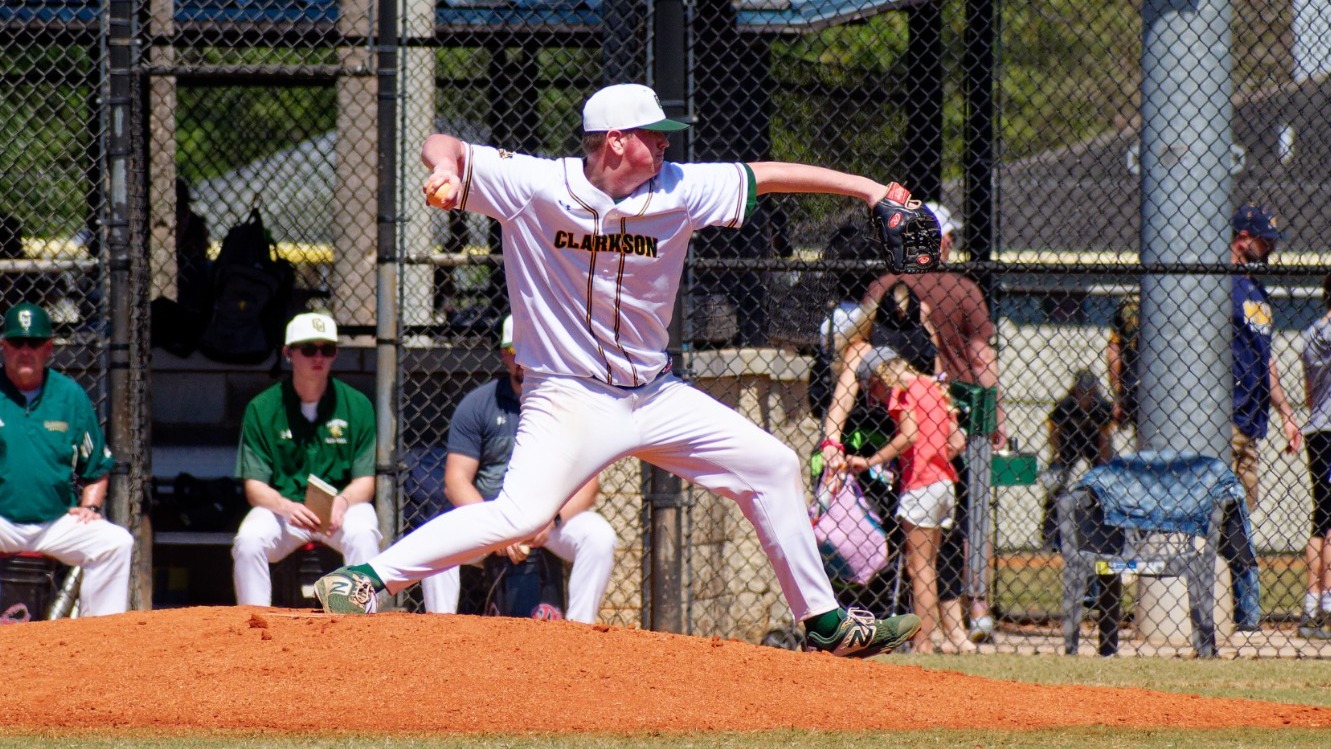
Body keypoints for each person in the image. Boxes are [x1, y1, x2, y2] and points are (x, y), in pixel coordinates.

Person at [314, 82, 920, 657]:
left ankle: (825, 623)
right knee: (519, 515)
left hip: (655, 394)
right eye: (653, 134)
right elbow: (440, 144)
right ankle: (367, 578)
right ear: (615, 141)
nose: (665, 143)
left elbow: (769, 176)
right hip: (568, 398)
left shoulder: (680, 188)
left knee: (774, 465)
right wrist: (445, 170)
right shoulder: (536, 185)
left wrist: (869, 189)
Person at [857, 201, 1004, 643]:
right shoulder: (962, 288)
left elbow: (859, 346)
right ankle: (968, 611)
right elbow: (982, 359)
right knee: (960, 525)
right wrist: (996, 418)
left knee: (893, 522)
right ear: (940, 241)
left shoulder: (885, 284)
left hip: (890, 417)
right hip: (950, 414)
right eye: (950, 237)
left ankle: (892, 611)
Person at [419, 315, 617, 623]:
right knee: (438, 539)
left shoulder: (566, 405)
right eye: (514, 350)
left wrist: (551, 520)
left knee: (599, 535)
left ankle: (580, 632)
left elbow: (588, 485)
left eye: (530, 349)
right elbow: (456, 481)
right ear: (503, 354)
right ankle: (441, 629)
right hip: (492, 515)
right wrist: (498, 527)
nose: (522, 358)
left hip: (546, 522)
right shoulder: (479, 404)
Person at [231, 312, 381, 606]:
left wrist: (343, 502)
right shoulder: (262, 407)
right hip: (286, 508)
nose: (319, 357)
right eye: (309, 349)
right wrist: (286, 507)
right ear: (289, 353)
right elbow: (255, 487)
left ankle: (364, 626)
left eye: (327, 349)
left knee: (363, 531)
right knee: (248, 541)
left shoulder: (357, 404)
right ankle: (252, 622)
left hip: (339, 509)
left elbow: (365, 482)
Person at [0, 302, 131, 616]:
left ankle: (97, 639)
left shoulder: (69, 396)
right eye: (17, 343)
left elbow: (97, 466)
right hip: (3, 521)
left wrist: (90, 506)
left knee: (115, 543)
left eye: (34, 343)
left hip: (55, 521)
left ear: (48, 348)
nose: (25, 351)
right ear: (4, 347)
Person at [842, 356, 963, 654]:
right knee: (929, 566)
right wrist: (930, 456)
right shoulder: (933, 387)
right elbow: (957, 442)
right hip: (944, 483)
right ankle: (928, 639)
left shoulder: (903, 391)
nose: (877, 398)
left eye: (874, 389)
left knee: (918, 567)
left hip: (921, 486)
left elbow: (909, 435)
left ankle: (923, 643)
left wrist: (870, 461)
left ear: (881, 379)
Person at [1040, 369, 1115, 548]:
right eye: (1083, 391)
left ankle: (1105, 532)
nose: (1086, 395)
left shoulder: (1101, 406)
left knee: (1105, 482)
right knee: (1056, 483)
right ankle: (1050, 535)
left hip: (1093, 443)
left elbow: (1104, 437)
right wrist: (1057, 454)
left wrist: (1102, 464)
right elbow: (1054, 430)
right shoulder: (1066, 405)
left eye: (1090, 391)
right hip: (1068, 443)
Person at [1299, 273, 1331, 639]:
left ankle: (1314, 602)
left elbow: (1309, 393)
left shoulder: (1310, 334)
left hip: (1318, 428)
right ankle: (1326, 603)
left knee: (1319, 515)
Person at [1106, 291, 1139, 431]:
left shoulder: (1129, 307)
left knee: (1145, 444)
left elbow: (1113, 351)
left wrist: (1118, 392)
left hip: (1136, 386)